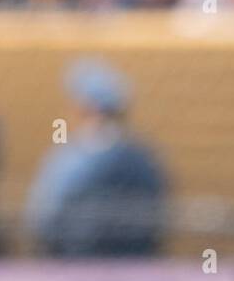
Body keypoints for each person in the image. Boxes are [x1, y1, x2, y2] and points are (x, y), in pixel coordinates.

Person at [25, 59, 168, 257]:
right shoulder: (143, 158)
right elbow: (158, 216)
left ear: (84, 108)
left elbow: (43, 219)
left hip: (77, 267)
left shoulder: (69, 159)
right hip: (135, 268)